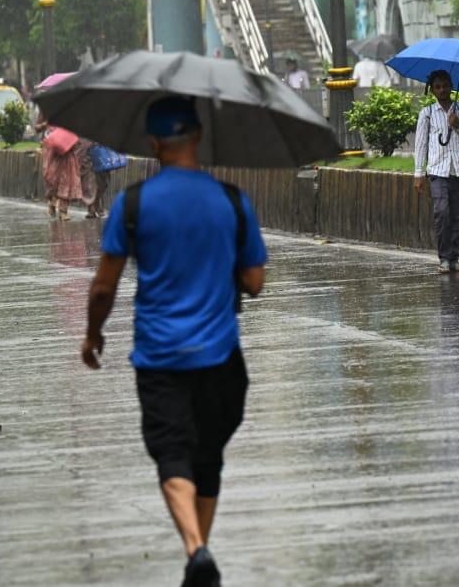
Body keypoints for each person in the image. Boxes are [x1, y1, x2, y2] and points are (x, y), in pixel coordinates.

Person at [81, 96, 267, 587]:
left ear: (155, 143)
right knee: (207, 457)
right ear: (199, 137)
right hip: (222, 357)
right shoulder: (231, 200)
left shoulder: (134, 203)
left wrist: (93, 335)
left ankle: (196, 550)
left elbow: (103, 286)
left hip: (160, 356)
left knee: (172, 452)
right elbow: (254, 282)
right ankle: (197, 557)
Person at [414, 70, 459, 273]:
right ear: (432, 90)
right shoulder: (427, 114)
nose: (442, 90)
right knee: (442, 212)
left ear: (451, 86)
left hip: (458, 169)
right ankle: (444, 258)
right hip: (437, 171)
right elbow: (421, 144)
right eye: (438, 87)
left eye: (445, 85)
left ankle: (454, 259)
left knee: (457, 215)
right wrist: (418, 173)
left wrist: (458, 126)